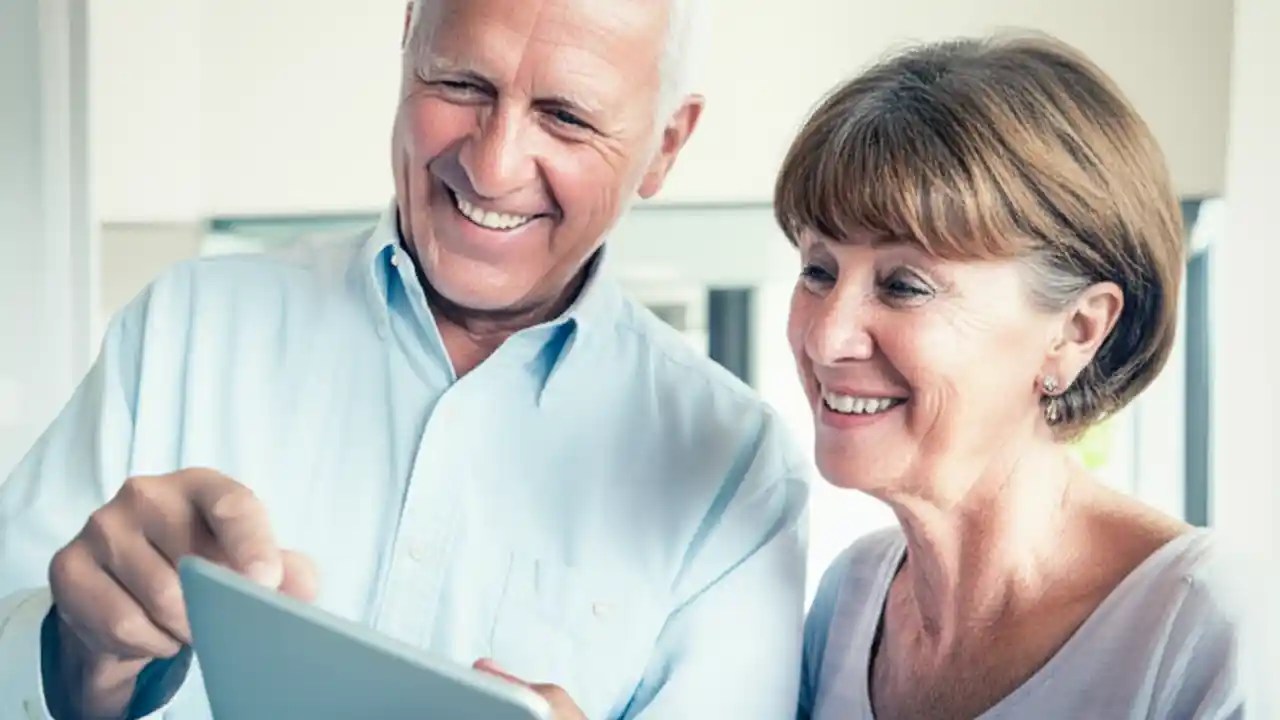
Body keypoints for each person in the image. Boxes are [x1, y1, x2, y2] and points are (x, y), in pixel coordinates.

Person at [0, 1, 811, 718]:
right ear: (407, 41)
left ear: (666, 145)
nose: (492, 167)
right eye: (461, 83)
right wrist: (80, 658)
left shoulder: (738, 474)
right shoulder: (184, 327)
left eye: (566, 116)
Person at [776, 34, 1244, 720]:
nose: (826, 335)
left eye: (904, 285)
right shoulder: (849, 601)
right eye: (818, 270)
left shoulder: (1207, 627)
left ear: (1076, 330)